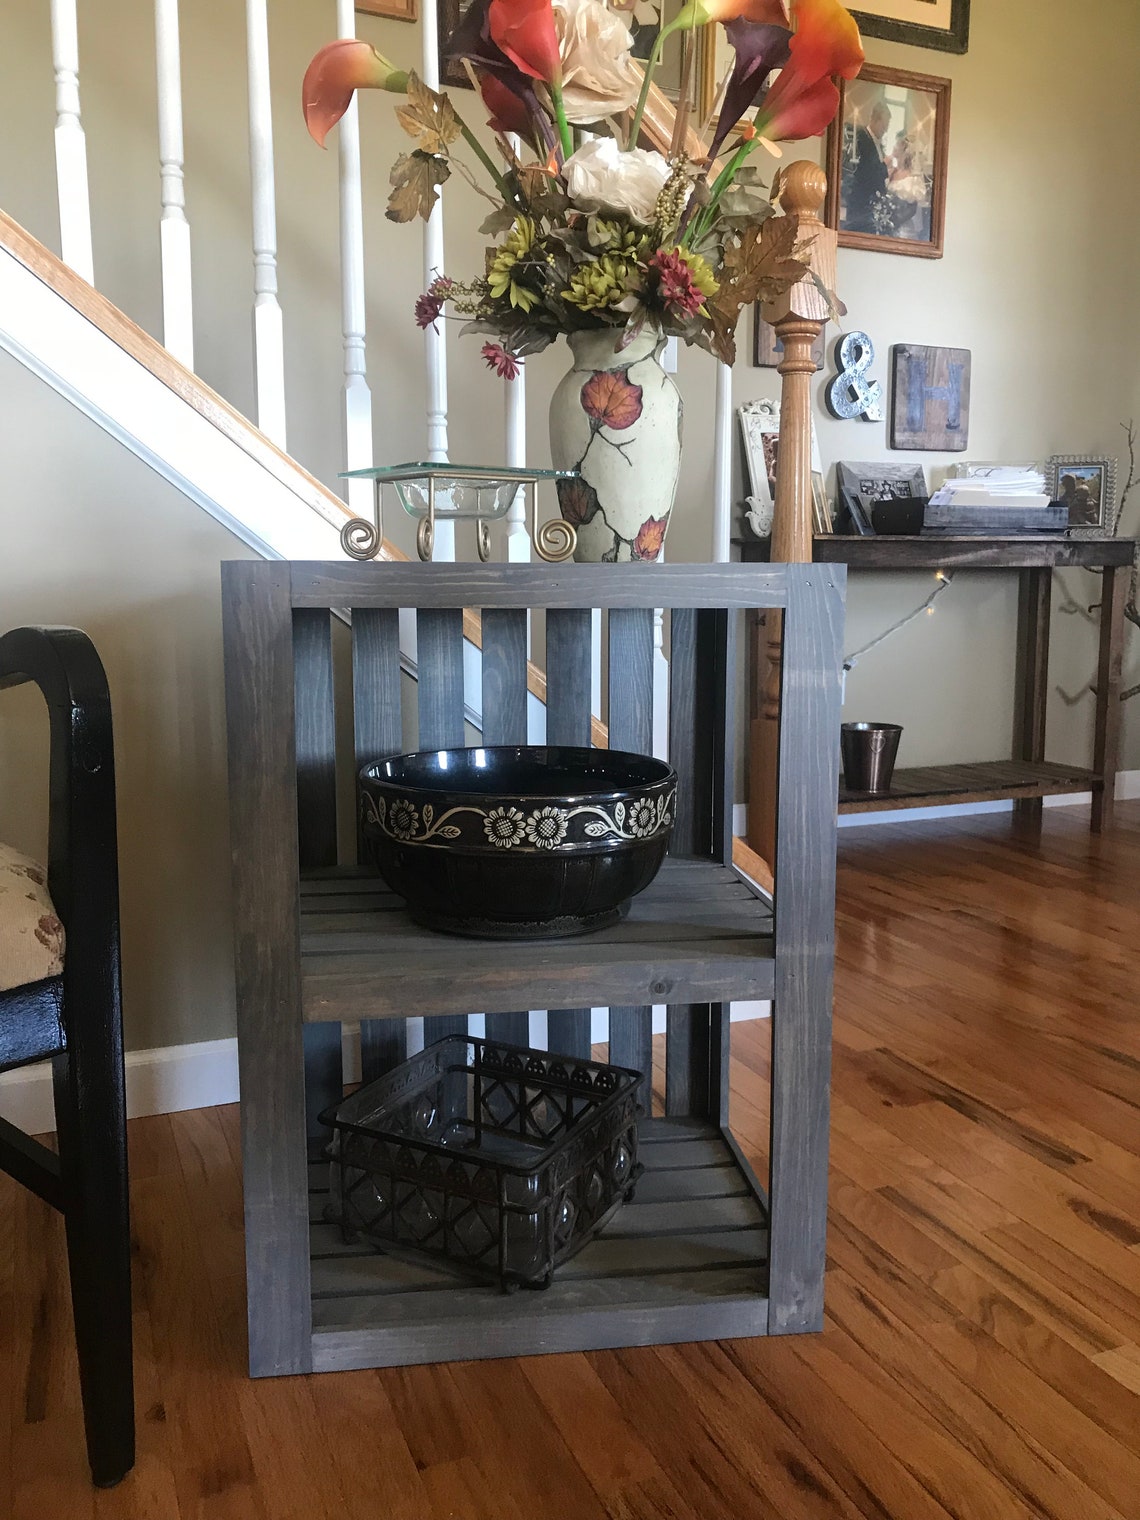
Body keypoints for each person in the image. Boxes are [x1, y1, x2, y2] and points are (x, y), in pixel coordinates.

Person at [843, 100, 892, 235]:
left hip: (872, 205)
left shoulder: (879, 144)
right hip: (861, 202)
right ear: (875, 120)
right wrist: (885, 165)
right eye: (883, 127)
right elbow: (866, 171)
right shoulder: (861, 137)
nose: (885, 131)